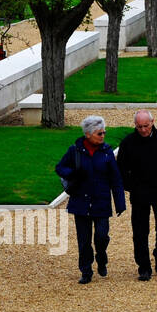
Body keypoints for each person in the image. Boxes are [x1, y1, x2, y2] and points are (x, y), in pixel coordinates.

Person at [56, 116, 126, 284]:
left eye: (104, 132)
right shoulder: (75, 151)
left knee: (102, 236)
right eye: (99, 133)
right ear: (88, 134)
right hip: (81, 202)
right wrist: (72, 174)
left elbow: (116, 179)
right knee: (84, 240)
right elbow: (60, 167)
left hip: (101, 202)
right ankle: (86, 271)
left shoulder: (107, 152)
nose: (103, 136)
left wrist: (120, 203)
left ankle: (101, 257)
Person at [116, 109, 157, 281]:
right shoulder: (128, 143)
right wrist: (131, 186)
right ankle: (143, 266)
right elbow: (121, 168)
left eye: (146, 126)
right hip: (140, 194)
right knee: (139, 232)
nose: (143, 130)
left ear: (153, 122)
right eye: (139, 127)